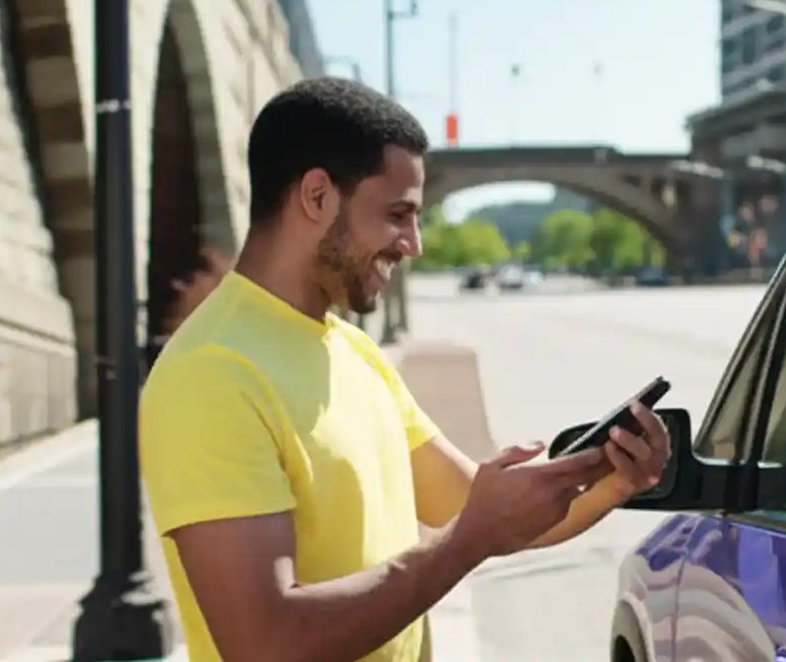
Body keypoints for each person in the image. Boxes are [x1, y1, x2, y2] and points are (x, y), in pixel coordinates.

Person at [138, 77, 671, 662]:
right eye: (397, 214)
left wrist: (614, 479)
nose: (413, 243)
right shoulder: (212, 375)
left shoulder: (353, 351)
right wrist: (464, 545)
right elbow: (266, 643)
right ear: (317, 197)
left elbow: (483, 511)